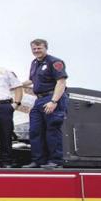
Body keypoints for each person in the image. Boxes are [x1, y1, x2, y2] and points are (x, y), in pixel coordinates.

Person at [21, 39, 69, 169]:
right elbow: (31, 80)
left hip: (52, 97)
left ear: (45, 48)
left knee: (52, 130)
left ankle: (55, 161)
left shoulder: (55, 62)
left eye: (39, 48)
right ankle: (38, 161)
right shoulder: (34, 63)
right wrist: (16, 84)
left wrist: (54, 101)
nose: (36, 51)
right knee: (35, 131)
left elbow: (61, 82)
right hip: (39, 100)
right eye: (34, 49)